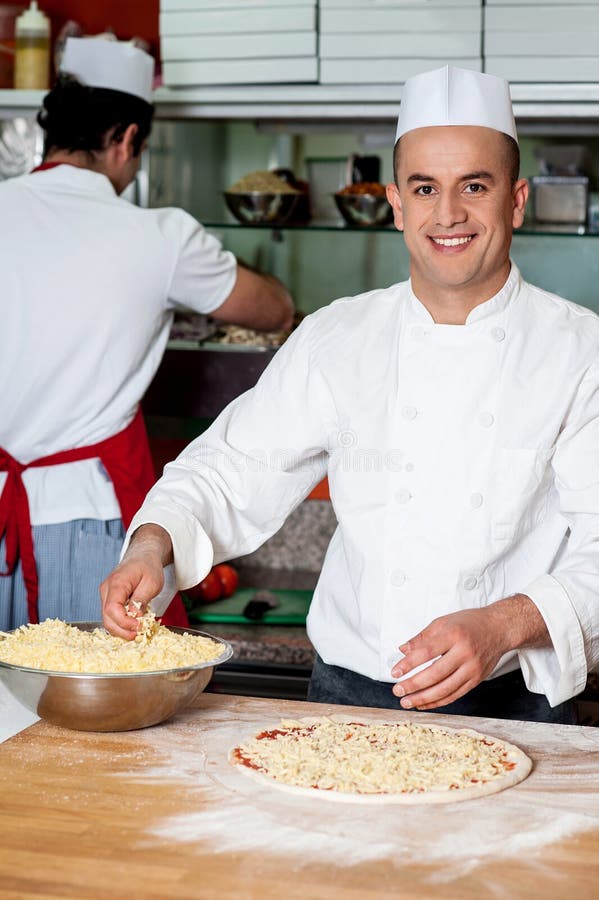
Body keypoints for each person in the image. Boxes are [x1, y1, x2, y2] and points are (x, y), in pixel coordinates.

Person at [101, 65, 599, 724]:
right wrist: (152, 544)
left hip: (516, 701)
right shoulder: (338, 335)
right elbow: (234, 465)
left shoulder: (578, 350)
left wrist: (506, 624)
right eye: (424, 188)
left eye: (472, 186)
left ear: (516, 199)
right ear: (395, 203)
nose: (447, 214)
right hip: (349, 694)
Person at [0, 37, 294, 632]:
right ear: (127, 139)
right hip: (89, 525)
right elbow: (272, 310)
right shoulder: (160, 236)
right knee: (94, 715)